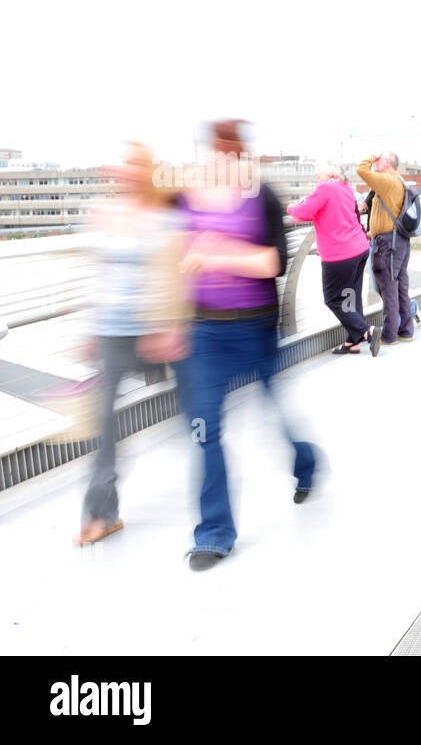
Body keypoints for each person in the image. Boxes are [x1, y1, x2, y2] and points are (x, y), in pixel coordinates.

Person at [173, 119, 320, 571]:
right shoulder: (186, 199)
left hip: (254, 327)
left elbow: (272, 262)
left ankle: (306, 460)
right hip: (205, 332)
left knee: (272, 407)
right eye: (210, 152)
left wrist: (217, 251)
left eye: (225, 153)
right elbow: (173, 260)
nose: (215, 161)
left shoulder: (262, 197)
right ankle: (214, 532)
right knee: (205, 430)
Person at [75, 142, 191, 545]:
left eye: (134, 164)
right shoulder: (105, 213)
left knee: (193, 414)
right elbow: (96, 272)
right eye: (123, 165)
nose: (125, 172)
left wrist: (173, 327)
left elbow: (176, 275)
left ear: (148, 171)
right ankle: (101, 514)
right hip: (110, 333)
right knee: (104, 424)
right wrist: (90, 329)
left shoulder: (164, 216)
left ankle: (211, 469)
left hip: (153, 332)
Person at [288, 162, 375, 354]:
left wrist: (291, 207)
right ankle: (353, 342)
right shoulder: (345, 188)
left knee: (332, 298)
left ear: (331, 172)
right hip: (359, 248)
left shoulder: (325, 187)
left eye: (320, 169)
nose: (316, 173)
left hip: (340, 254)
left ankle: (366, 330)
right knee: (351, 296)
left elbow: (304, 213)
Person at [357, 150, 413, 350]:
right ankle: (406, 331)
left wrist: (371, 155)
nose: (375, 163)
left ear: (388, 162)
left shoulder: (388, 181)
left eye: (379, 160)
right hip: (399, 241)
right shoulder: (397, 181)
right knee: (400, 288)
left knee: (388, 288)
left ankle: (389, 335)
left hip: (387, 243)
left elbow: (361, 170)